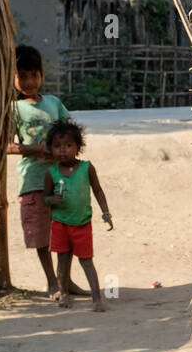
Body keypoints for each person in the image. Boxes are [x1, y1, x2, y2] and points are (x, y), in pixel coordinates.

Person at [7, 45, 84, 299]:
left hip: (62, 178)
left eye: (34, 75)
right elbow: (6, 145)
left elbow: (72, 132)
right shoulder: (14, 109)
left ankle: (66, 280)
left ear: (42, 74)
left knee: (66, 228)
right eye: (23, 76)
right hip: (34, 179)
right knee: (42, 234)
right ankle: (52, 282)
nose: (29, 82)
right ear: (13, 77)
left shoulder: (53, 103)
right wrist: (35, 148)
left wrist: (63, 150)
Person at [45, 118, 113, 311]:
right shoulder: (52, 173)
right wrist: (52, 200)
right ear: (51, 149)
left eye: (68, 145)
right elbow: (45, 198)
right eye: (57, 146)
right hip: (60, 224)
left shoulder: (86, 168)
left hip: (82, 223)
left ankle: (97, 298)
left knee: (86, 261)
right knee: (63, 261)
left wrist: (106, 212)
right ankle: (64, 294)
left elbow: (98, 190)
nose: (63, 150)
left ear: (78, 146)